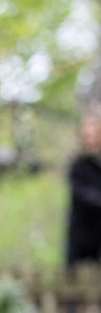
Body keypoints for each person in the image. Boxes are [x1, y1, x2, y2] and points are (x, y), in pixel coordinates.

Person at [67, 114, 101, 267]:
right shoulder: (78, 164)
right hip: (80, 231)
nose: (88, 139)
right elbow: (82, 193)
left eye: (91, 134)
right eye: (86, 135)